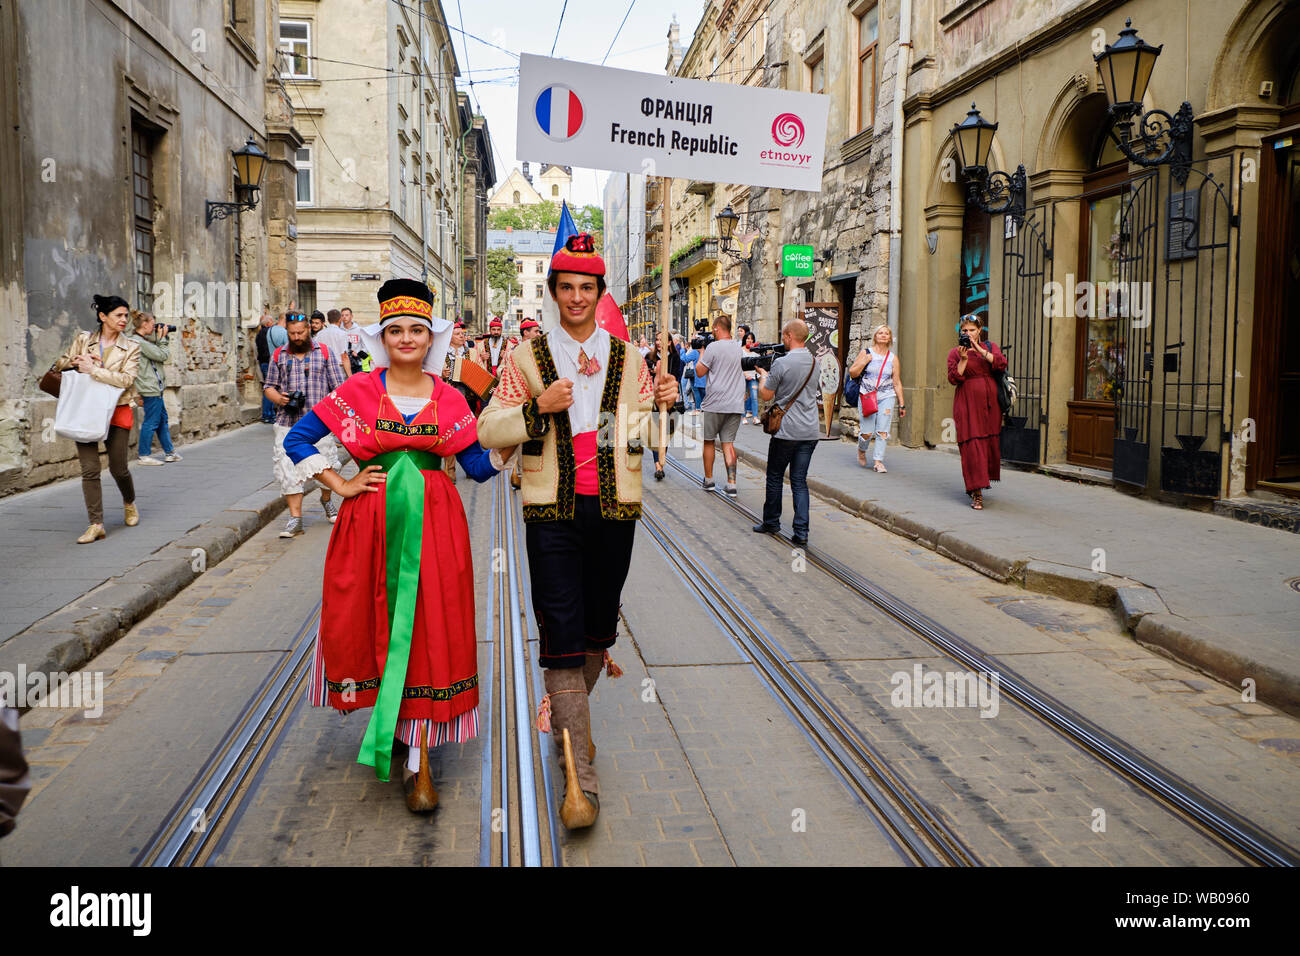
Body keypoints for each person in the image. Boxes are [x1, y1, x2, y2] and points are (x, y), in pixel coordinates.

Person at [284, 278, 512, 812]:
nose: (406, 338)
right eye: (395, 330)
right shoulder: (357, 391)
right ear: (380, 337)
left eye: (416, 329)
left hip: (436, 526)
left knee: (432, 621)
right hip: (370, 524)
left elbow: (476, 467)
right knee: (379, 620)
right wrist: (341, 485)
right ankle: (400, 732)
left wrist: (515, 442)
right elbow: (298, 439)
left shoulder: (452, 396)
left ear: (430, 337)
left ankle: (419, 756)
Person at [478, 233, 677, 830]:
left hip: (616, 508)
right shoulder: (526, 358)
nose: (575, 297)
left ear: (599, 293)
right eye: (565, 287)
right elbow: (489, 431)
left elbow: (646, 442)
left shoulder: (631, 357)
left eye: (586, 288)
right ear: (554, 292)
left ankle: (568, 721)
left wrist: (665, 403)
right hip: (550, 511)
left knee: (597, 631)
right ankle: (578, 779)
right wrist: (539, 409)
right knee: (561, 632)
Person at [52, 295, 141, 544]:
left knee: (118, 468)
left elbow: (127, 380)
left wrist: (96, 371)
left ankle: (129, 502)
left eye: (126, 315)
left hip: (118, 409)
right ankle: (96, 524)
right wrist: (78, 361)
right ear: (103, 317)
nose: (124, 320)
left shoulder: (132, 346)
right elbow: (59, 364)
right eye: (119, 315)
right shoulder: (83, 340)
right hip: (86, 409)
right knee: (90, 470)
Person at [263, 313, 347, 537]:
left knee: (326, 465)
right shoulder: (279, 355)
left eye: (301, 332)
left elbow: (339, 387)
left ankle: (327, 500)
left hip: (319, 423)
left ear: (309, 329)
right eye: (292, 333)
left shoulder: (325, 353)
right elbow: (268, 386)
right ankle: (295, 518)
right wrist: (278, 398)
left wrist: (337, 419)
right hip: (286, 422)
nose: (297, 337)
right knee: (287, 469)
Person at [752, 319, 820, 547]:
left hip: (786, 431)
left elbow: (766, 395)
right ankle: (802, 531)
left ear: (790, 336)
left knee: (775, 476)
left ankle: (772, 522)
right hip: (810, 431)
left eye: (784, 335)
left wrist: (762, 376)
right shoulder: (814, 362)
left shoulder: (782, 363)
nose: (783, 339)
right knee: (799, 481)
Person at [947, 314, 1006, 510]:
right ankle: (977, 492)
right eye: (964, 331)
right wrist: (963, 359)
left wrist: (980, 351)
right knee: (971, 444)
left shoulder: (989, 347)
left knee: (987, 442)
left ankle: (979, 483)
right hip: (967, 403)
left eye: (972, 330)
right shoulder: (955, 353)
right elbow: (954, 378)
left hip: (991, 405)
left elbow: (1000, 363)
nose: (968, 333)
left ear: (980, 330)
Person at [693, 315, 745, 497]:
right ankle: (732, 484)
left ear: (715, 328)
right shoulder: (739, 347)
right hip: (735, 402)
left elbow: (699, 371)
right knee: (728, 444)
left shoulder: (713, 347)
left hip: (715, 403)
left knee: (708, 441)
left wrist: (701, 351)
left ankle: (708, 480)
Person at [124, 311, 181, 465]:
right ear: (144, 324)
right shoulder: (138, 342)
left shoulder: (142, 341)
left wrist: (161, 338)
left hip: (155, 387)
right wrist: (162, 339)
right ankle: (144, 455)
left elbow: (155, 355)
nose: (154, 327)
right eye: (152, 324)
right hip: (150, 387)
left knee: (162, 420)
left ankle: (170, 452)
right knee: (151, 421)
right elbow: (162, 355)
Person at [848, 324, 906, 473]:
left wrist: (902, 404)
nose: (883, 335)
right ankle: (862, 449)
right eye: (880, 333)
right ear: (875, 336)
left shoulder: (893, 358)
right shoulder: (866, 353)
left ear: (889, 338)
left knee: (882, 431)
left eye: (886, 333)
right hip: (867, 395)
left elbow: (897, 382)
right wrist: (864, 361)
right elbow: (853, 373)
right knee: (867, 433)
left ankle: (878, 461)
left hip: (886, 396)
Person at [315, 309, 352, 378]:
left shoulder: (320, 334)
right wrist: (350, 376)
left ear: (328, 320)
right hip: (338, 368)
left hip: (323, 368)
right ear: (340, 319)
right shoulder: (342, 334)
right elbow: (344, 357)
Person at [255, 312, 276, 422]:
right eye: (272, 322)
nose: (273, 324)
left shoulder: (259, 334)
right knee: (270, 388)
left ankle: (269, 413)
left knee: (268, 388)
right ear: (268, 323)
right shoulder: (268, 333)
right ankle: (268, 414)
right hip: (268, 362)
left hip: (263, 362)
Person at [741, 330, 760, 424]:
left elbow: (758, 364)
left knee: (754, 396)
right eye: (748, 338)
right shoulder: (741, 350)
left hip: (753, 376)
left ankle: (755, 417)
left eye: (752, 339)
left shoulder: (755, 351)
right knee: (743, 397)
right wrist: (745, 374)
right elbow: (738, 365)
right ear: (745, 339)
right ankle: (743, 417)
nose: (750, 340)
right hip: (742, 376)